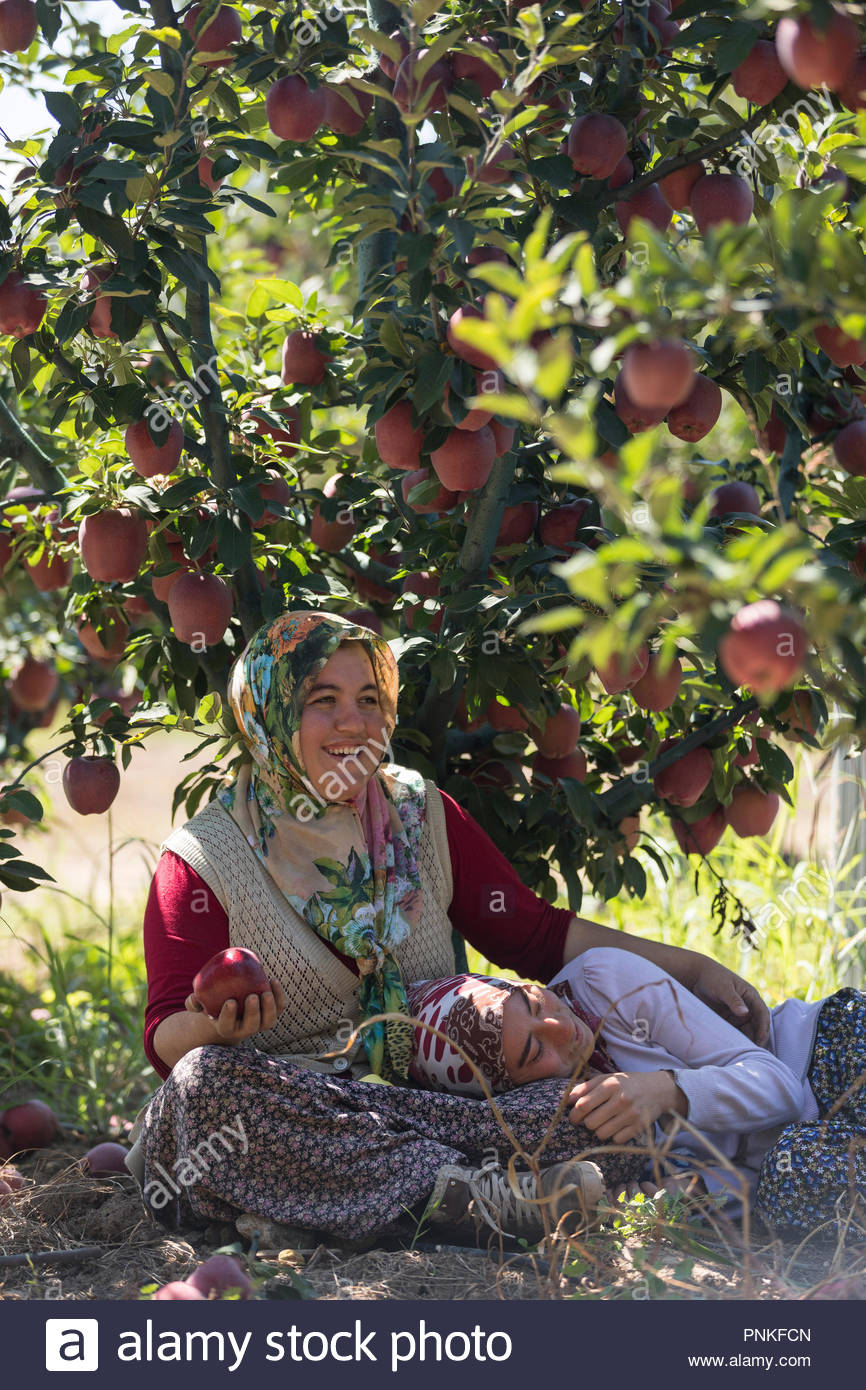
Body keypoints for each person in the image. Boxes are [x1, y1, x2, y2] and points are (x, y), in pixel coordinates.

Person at [132, 609, 771, 1246]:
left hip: (436, 1112)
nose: (355, 723)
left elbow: (538, 936)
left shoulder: (420, 817)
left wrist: (691, 967)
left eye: (369, 698)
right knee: (204, 1090)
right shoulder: (203, 860)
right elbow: (166, 1034)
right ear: (268, 712)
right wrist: (217, 1028)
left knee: (585, 1108)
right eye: (323, 701)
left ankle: (376, 1205)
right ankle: (461, 1200)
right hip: (297, 1113)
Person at [407, 955, 866, 1238]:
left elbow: (780, 1087)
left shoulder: (604, 982)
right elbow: (754, 1180)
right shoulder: (564, 1120)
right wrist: (691, 1193)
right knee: (791, 1178)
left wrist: (669, 1089)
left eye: (533, 1001)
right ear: (516, 1090)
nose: (562, 1028)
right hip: (801, 1150)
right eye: (534, 1050)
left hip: (825, 1055)